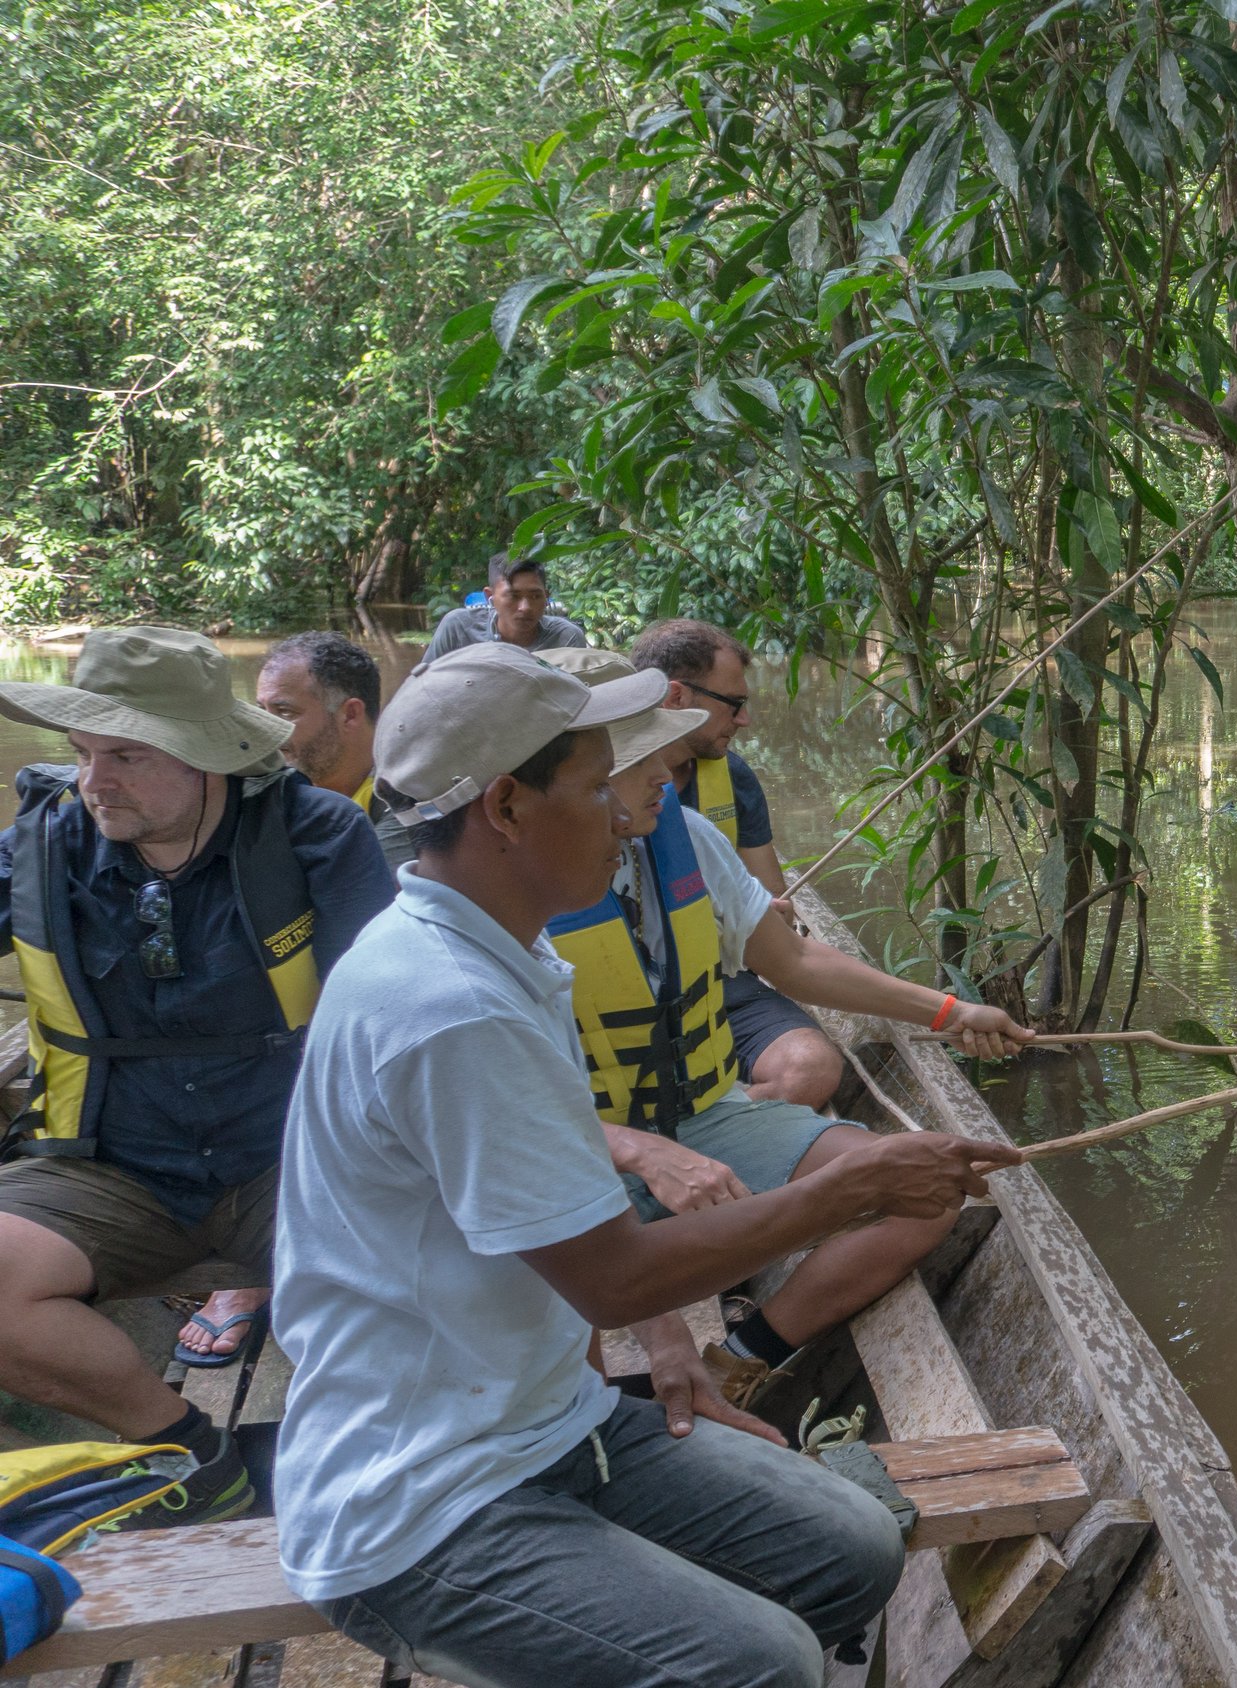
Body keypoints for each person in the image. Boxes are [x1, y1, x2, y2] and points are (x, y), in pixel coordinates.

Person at [269, 642, 1019, 1686]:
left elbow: (569, 1218)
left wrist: (670, 1346)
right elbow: (613, 1278)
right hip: (420, 1499)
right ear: (506, 806)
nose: (628, 816)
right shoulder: (451, 1007)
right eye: (597, 788)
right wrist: (850, 1188)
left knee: (854, 1552)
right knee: (769, 1665)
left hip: (544, 1426)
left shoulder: (510, 953)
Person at [537, 647, 1028, 1406]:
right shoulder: (517, 897)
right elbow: (515, 1120)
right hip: (574, 1151)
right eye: (636, 762)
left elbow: (794, 962)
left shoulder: (686, 837)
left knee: (925, 1192)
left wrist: (952, 1011)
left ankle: (742, 1358)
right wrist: (661, 1329)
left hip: (704, 1112)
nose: (664, 775)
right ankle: (600, 1417)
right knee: (555, 1291)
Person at [0, 628, 392, 1517]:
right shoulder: (45, 842)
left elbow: (394, 1011)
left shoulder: (316, 832)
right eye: (83, 753)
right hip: (111, 1164)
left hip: (290, 1154)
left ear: (207, 755)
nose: (95, 781)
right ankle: (193, 1454)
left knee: (420, 1284)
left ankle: (373, 1482)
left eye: (126, 756)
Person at [628, 619, 845, 1109]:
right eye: (734, 703)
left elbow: (777, 919)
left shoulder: (727, 782)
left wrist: (765, 912)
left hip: (718, 981)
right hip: (620, 993)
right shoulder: (592, 804)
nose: (744, 720)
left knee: (811, 1069)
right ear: (677, 696)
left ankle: (722, 1114)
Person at [257, 633, 382, 810]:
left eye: (285, 712)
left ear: (350, 715)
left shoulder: (408, 797)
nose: (264, 730)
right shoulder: (260, 791)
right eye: (261, 711)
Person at [420, 553, 588, 664]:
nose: (525, 607)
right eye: (513, 596)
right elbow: (424, 686)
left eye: (535, 596)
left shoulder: (566, 639)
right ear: (490, 597)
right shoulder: (458, 628)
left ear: (546, 597)